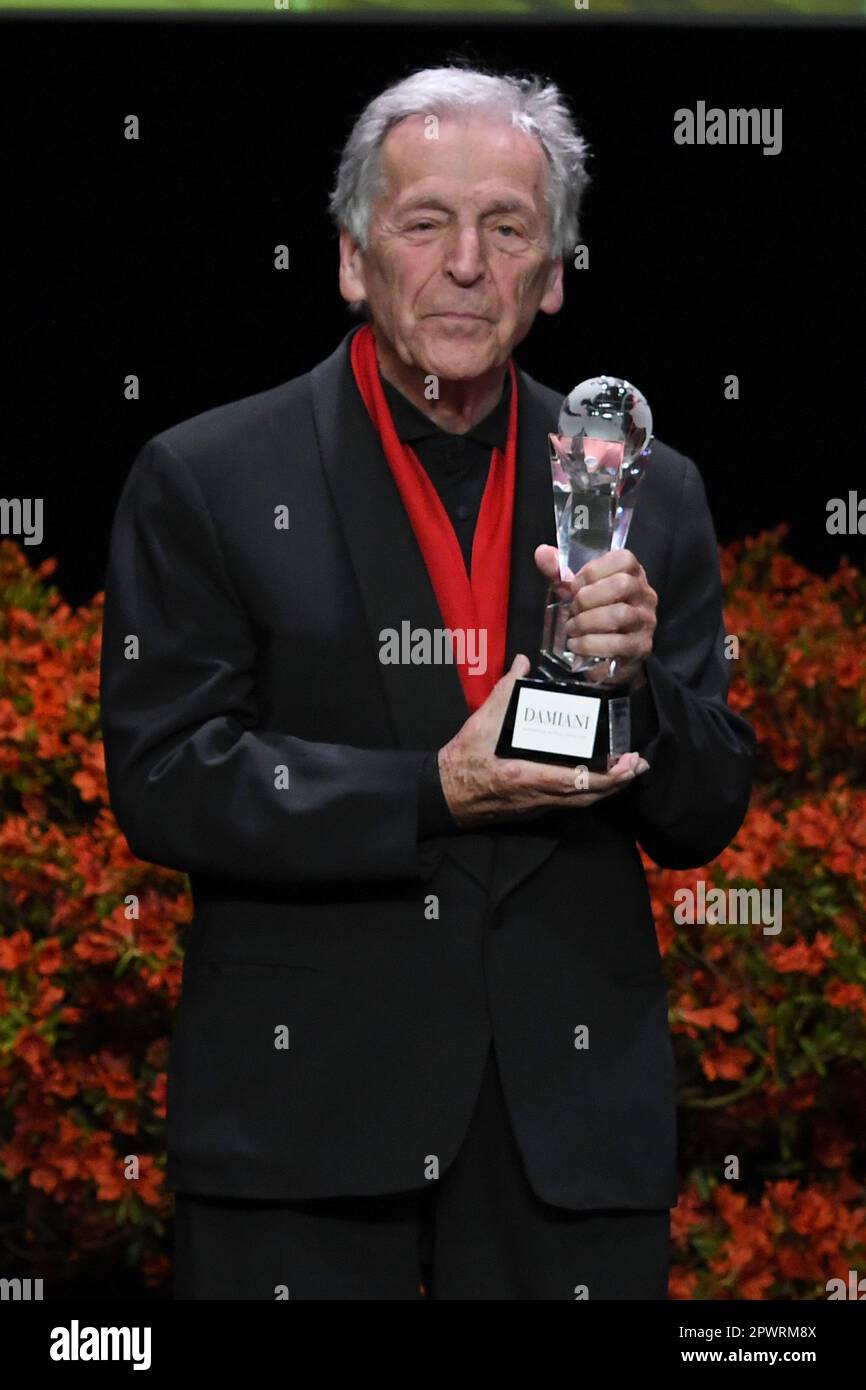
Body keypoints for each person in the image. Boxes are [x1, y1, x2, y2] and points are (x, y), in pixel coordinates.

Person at [100, 65, 756, 1300]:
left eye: (506, 228)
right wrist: (429, 790)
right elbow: (167, 777)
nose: (465, 263)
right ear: (353, 260)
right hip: (301, 1133)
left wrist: (637, 686)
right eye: (424, 223)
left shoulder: (643, 486)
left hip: (565, 1143)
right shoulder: (208, 476)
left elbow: (704, 806)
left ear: (550, 274)